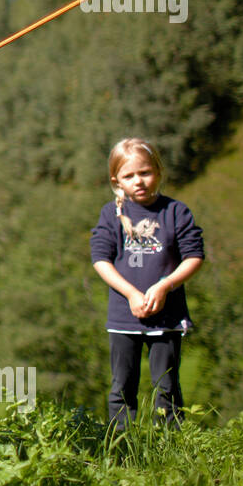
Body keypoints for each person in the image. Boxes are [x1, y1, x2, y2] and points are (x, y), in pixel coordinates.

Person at [90, 138, 204, 431]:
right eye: (129, 176)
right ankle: (121, 447)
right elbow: (100, 259)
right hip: (123, 317)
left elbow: (194, 256)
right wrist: (130, 293)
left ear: (158, 171)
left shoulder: (176, 212)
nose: (138, 181)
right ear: (117, 180)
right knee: (121, 388)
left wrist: (165, 285)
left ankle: (170, 448)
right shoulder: (111, 214)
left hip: (166, 317)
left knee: (166, 387)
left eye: (145, 172)